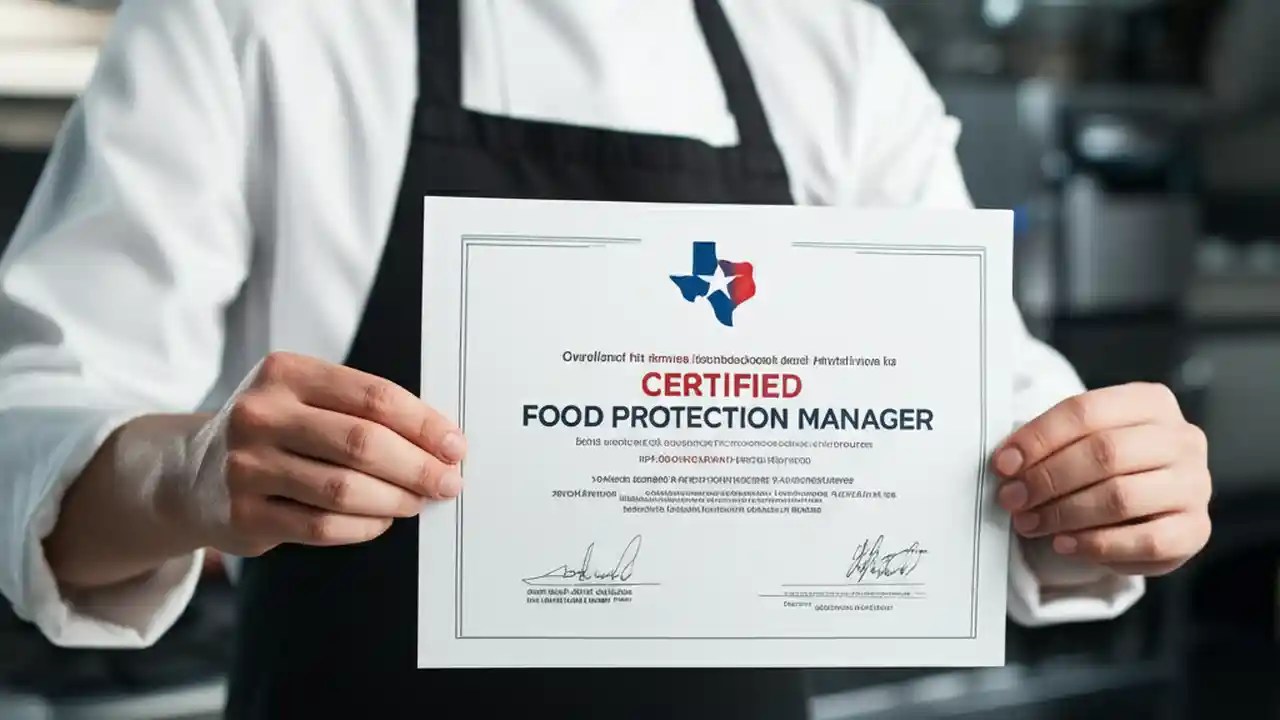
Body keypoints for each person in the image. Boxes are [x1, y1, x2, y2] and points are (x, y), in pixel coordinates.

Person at [0, 1, 1212, 717]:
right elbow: (35, 422)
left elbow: (982, 414)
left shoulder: (822, 41)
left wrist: (1099, 484)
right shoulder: (255, 16)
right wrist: (187, 475)